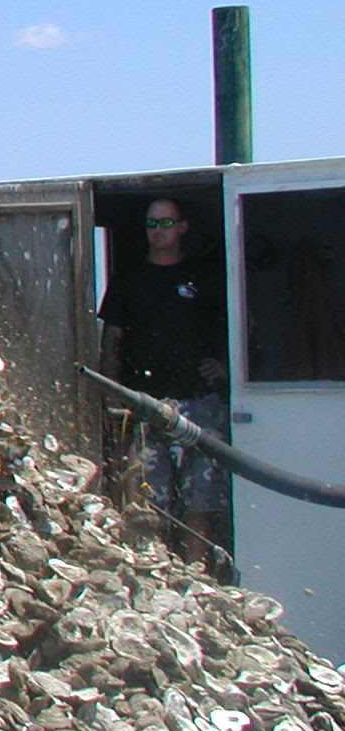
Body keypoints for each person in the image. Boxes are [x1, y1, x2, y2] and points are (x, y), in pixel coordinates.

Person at [97, 197, 231, 565]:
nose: (158, 231)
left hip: (199, 405)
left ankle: (196, 577)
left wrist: (226, 366)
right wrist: (114, 395)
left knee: (200, 499)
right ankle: (155, 572)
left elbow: (239, 326)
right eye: (152, 224)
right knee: (146, 500)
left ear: (182, 227)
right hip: (146, 407)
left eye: (166, 223)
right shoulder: (129, 278)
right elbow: (112, 338)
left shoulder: (206, 277)